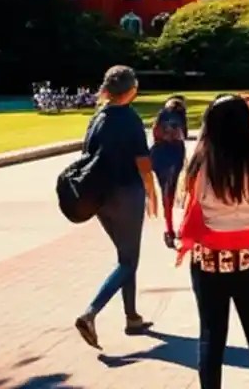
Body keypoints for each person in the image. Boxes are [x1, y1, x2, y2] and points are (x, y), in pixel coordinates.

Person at [176, 95, 249, 389]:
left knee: (212, 333)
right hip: (247, 258)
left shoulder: (200, 158)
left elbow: (186, 204)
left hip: (207, 260)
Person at [74, 65, 159, 349]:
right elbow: (142, 161)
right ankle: (91, 312)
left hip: (100, 197)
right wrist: (151, 189)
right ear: (131, 90)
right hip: (127, 193)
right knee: (128, 260)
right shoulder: (129, 118)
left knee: (125, 255)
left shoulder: (97, 118)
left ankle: (132, 316)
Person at [151, 96, 189, 249]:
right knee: (172, 192)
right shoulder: (180, 118)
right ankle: (173, 228)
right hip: (174, 155)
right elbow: (183, 135)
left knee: (165, 193)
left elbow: (155, 133)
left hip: (159, 155)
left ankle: (169, 228)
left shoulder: (162, 115)